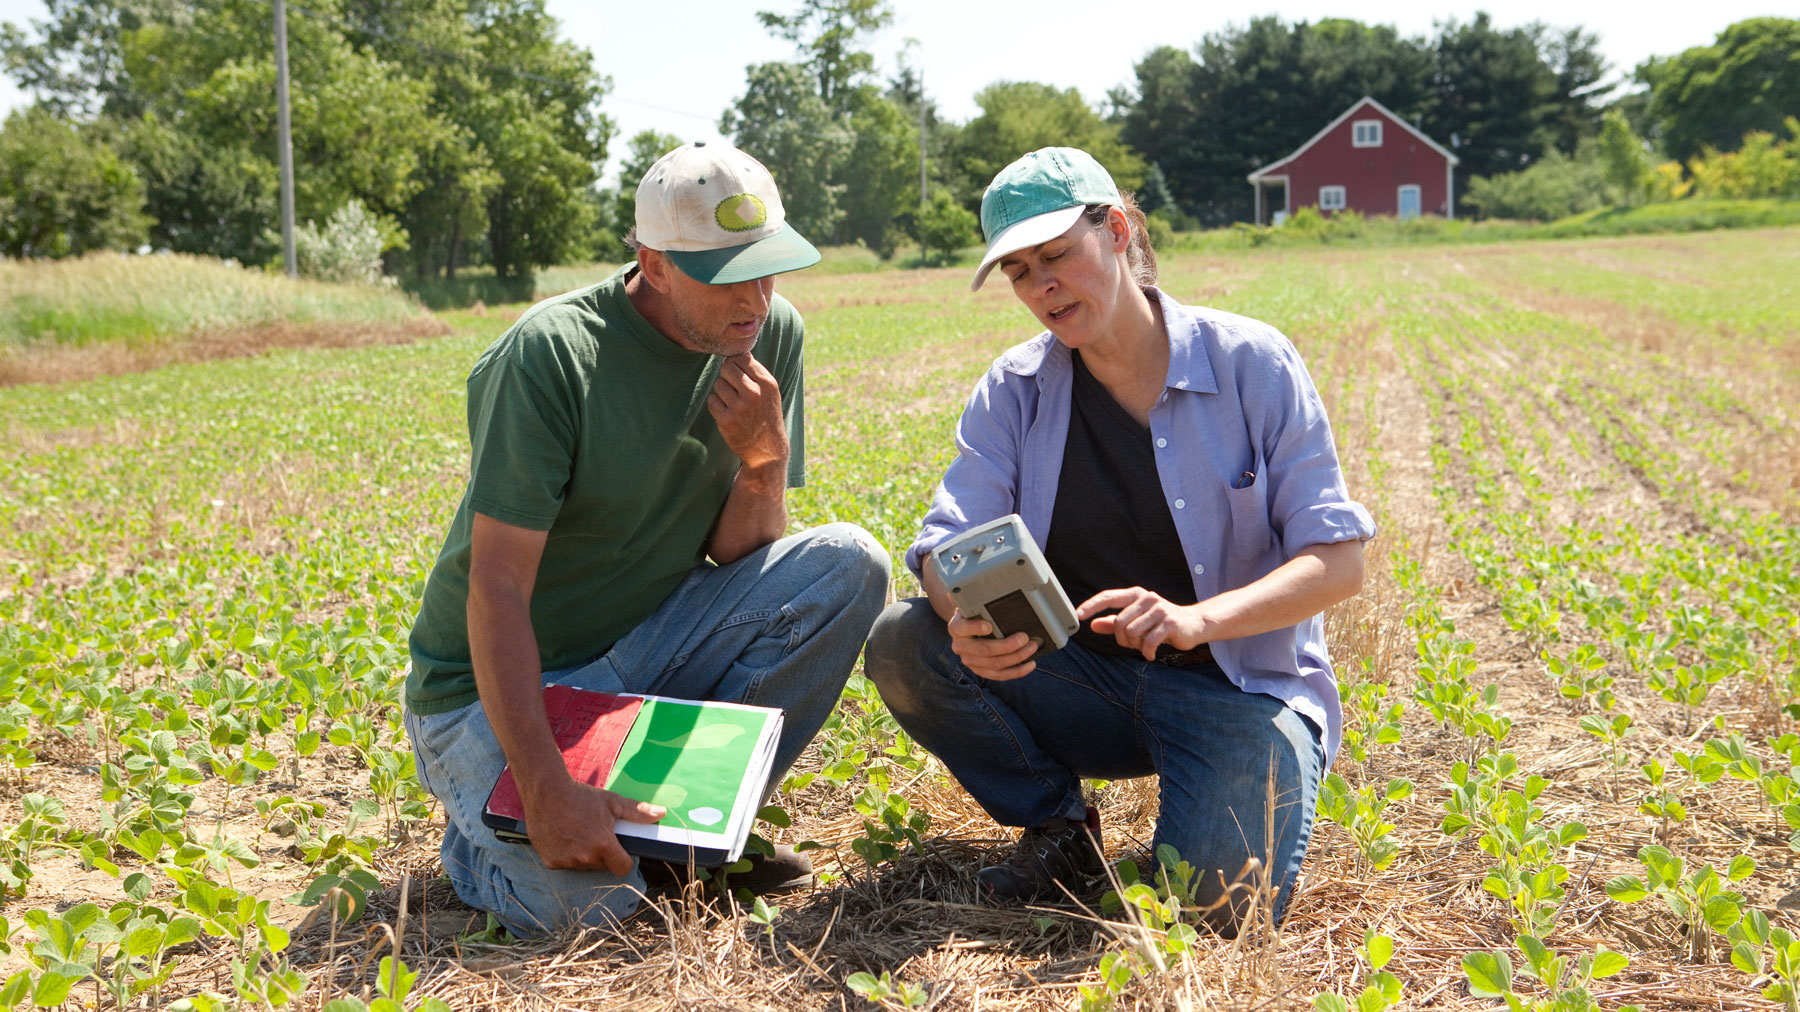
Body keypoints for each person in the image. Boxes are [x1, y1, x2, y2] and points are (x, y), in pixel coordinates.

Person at [863, 147, 1374, 935]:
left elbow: (1337, 562)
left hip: (1235, 688)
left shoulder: (1252, 362)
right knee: (906, 641)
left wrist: (1195, 620)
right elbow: (945, 543)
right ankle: (1061, 830)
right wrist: (962, 616)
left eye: (1059, 255)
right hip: (1080, 680)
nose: (1044, 287)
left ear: (1120, 232)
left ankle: (1210, 800)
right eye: (1021, 272)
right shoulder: (1016, 386)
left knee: (1214, 913)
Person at [403, 141, 890, 938]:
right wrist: (547, 785)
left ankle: (678, 838)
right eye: (727, 275)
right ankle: (481, 851)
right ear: (655, 263)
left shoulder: (773, 334)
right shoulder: (551, 355)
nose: (756, 300)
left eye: (767, 270)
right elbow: (495, 588)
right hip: (490, 688)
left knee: (850, 566)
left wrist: (765, 458)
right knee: (597, 912)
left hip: (646, 645)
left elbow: (742, 555)